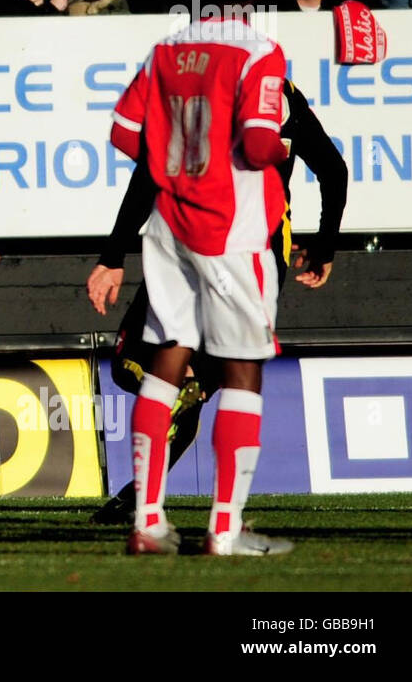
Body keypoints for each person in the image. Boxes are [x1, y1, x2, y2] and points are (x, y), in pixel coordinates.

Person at [88, 72, 347, 527]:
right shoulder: (276, 91)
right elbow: (334, 170)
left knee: (163, 373)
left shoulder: (192, 87)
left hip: (208, 244)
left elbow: (145, 166)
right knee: (187, 382)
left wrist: (113, 255)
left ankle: (149, 502)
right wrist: (324, 246)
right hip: (245, 252)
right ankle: (214, 518)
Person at [109, 8, 293, 556]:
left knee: (166, 362)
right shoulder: (258, 52)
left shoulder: (166, 50)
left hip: (168, 224)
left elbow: (123, 133)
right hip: (229, 230)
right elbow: (260, 144)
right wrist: (279, 149)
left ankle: (147, 522)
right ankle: (224, 530)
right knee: (241, 373)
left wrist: (179, 166)